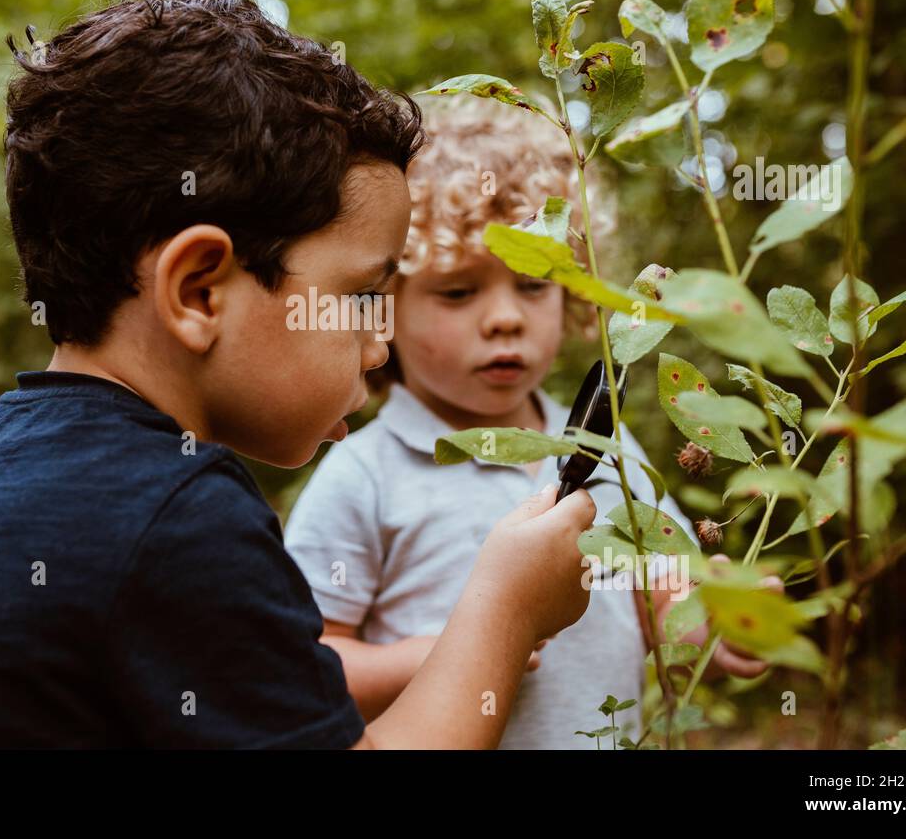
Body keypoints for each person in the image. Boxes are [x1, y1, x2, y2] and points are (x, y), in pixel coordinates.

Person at [0, 0, 594, 749]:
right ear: (199, 289)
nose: (379, 346)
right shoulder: (173, 516)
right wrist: (507, 607)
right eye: (361, 296)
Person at [284, 94, 773, 748]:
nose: (505, 318)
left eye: (535, 284)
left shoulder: (606, 448)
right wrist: (449, 650)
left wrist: (716, 626)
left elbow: (663, 599)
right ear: (384, 307)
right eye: (459, 291)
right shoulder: (364, 475)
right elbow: (305, 669)